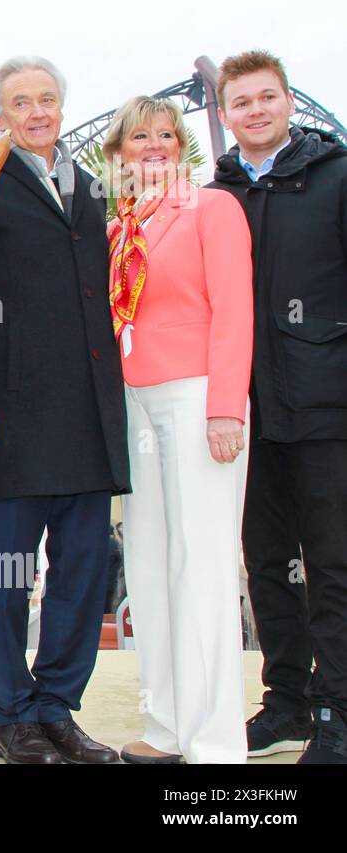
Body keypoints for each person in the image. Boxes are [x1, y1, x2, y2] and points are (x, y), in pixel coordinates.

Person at [0, 55, 130, 766]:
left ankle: (57, 708)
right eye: (22, 102)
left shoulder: (97, 189)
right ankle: (11, 713)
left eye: (47, 98)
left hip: (90, 413)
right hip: (11, 414)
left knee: (82, 569)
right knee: (11, 571)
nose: (38, 111)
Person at [107, 93, 254, 766]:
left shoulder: (213, 208)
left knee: (204, 563)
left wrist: (226, 405)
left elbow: (233, 307)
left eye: (167, 133)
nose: (156, 145)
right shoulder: (119, 229)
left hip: (197, 395)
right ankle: (165, 722)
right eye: (141, 137)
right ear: (121, 152)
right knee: (151, 564)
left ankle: (216, 739)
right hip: (135, 401)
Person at [209, 50, 347, 765]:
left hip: (328, 404)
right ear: (226, 114)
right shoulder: (218, 194)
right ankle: (286, 699)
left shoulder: (336, 177)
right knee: (267, 563)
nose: (256, 110)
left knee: (332, 562)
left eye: (268, 97)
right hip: (250, 412)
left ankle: (338, 712)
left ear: (290, 102)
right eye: (242, 101)